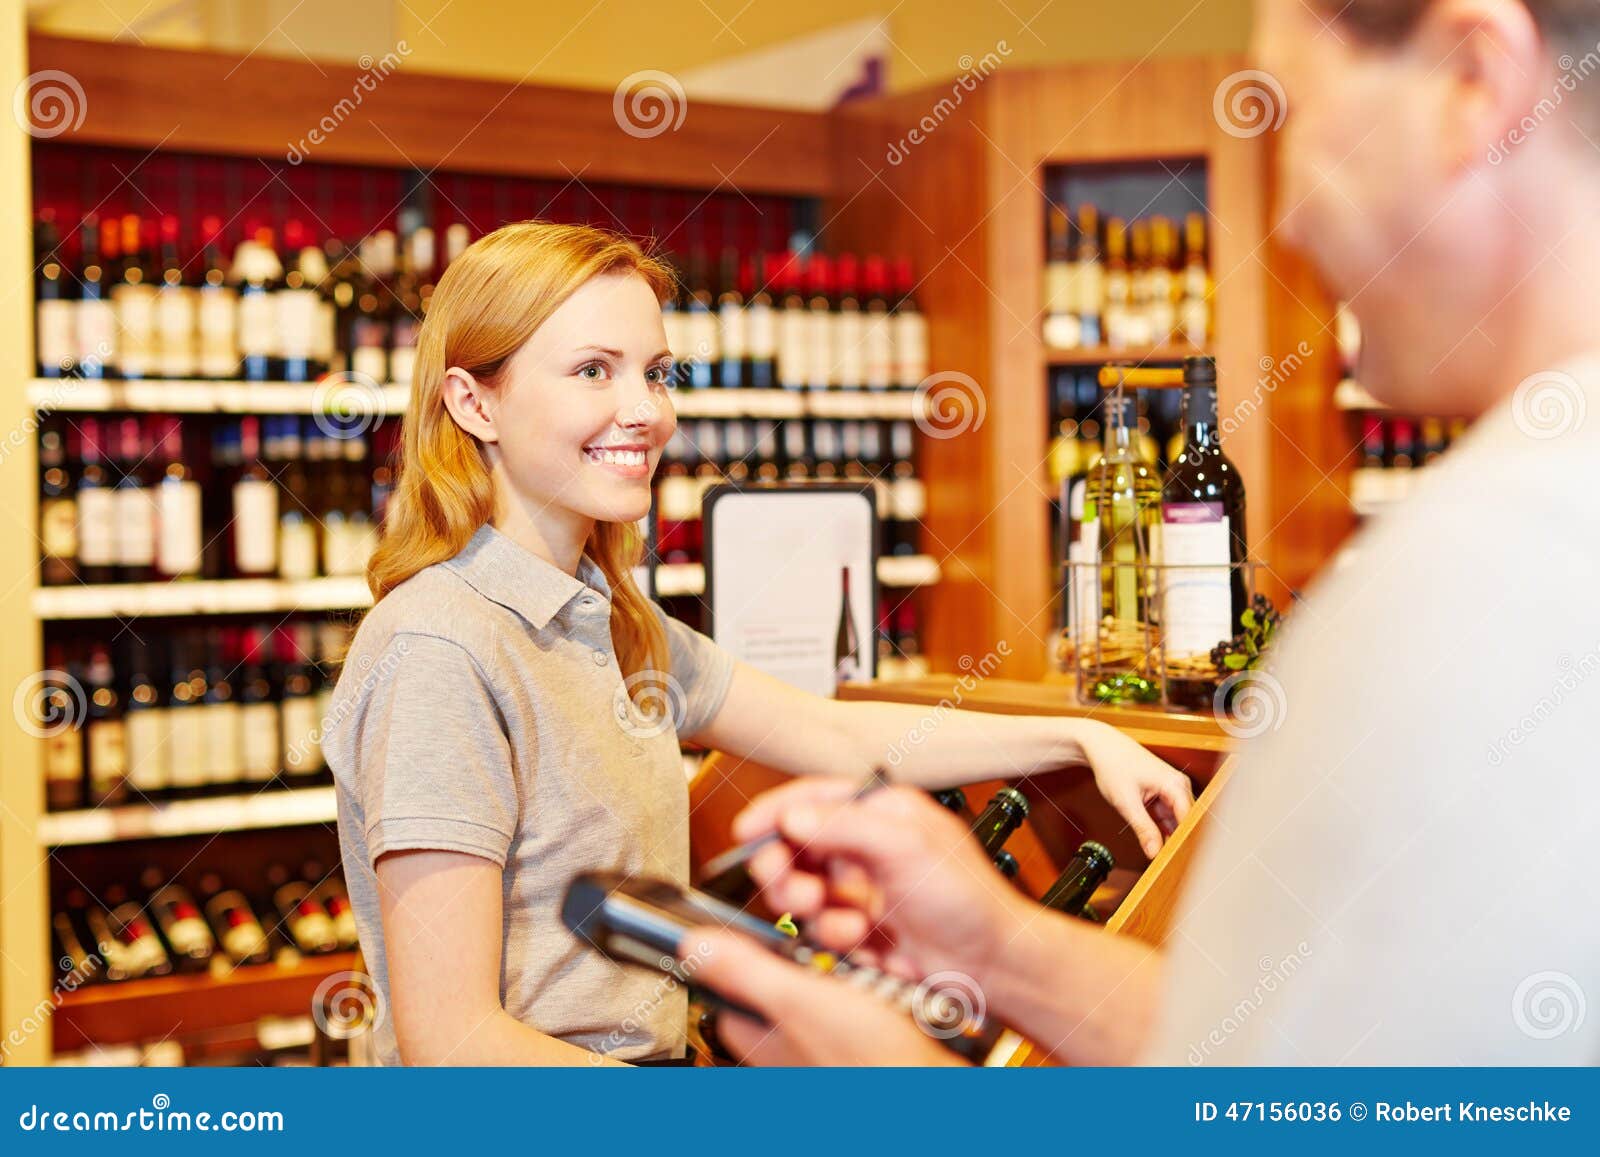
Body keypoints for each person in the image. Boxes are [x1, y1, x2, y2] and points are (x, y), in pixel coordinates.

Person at [685, 0, 1600, 1066]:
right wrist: (999, 948)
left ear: (1472, 82)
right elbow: (1287, 1054)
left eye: (1291, 116)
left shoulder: (1488, 574)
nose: (1288, 219)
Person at [321, 221, 1192, 1066]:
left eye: (655, 373)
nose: (646, 411)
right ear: (474, 402)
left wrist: (1081, 738)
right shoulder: (440, 645)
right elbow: (455, 1042)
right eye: (592, 370)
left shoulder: (614, 621)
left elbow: (830, 733)